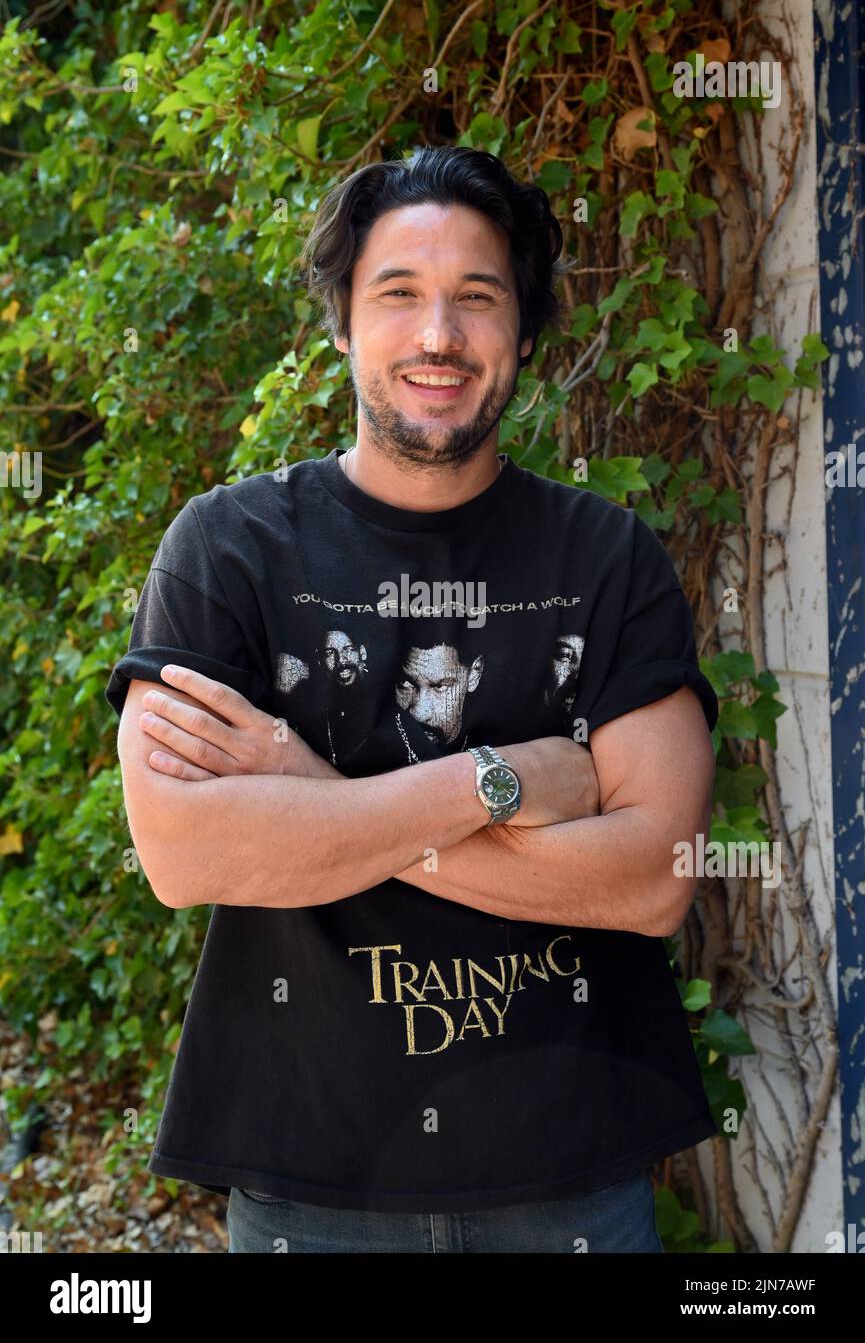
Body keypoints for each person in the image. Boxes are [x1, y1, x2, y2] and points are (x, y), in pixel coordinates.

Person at [106, 145, 718, 1254]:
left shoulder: (607, 557)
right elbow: (186, 854)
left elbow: (653, 880)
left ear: (524, 335)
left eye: (477, 298)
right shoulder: (229, 549)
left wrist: (310, 797)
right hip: (307, 1181)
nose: (438, 334)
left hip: (568, 1180)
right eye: (398, 294)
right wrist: (502, 780)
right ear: (341, 321)